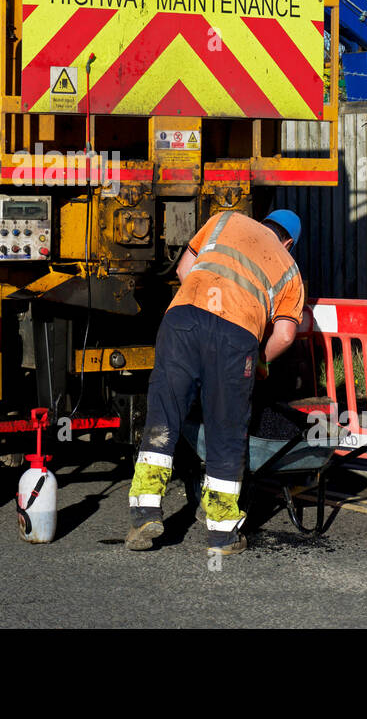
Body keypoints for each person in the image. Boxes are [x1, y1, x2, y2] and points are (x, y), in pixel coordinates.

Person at [125, 208, 305, 555]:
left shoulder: (226, 220)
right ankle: (222, 536)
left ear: (263, 221)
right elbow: (284, 334)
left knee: (163, 419)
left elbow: (183, 269)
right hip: (236, 340)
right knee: (226, 432)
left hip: (182, 321)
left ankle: (144, 514)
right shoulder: (289, 268)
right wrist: (260, 359)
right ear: (288, 241)